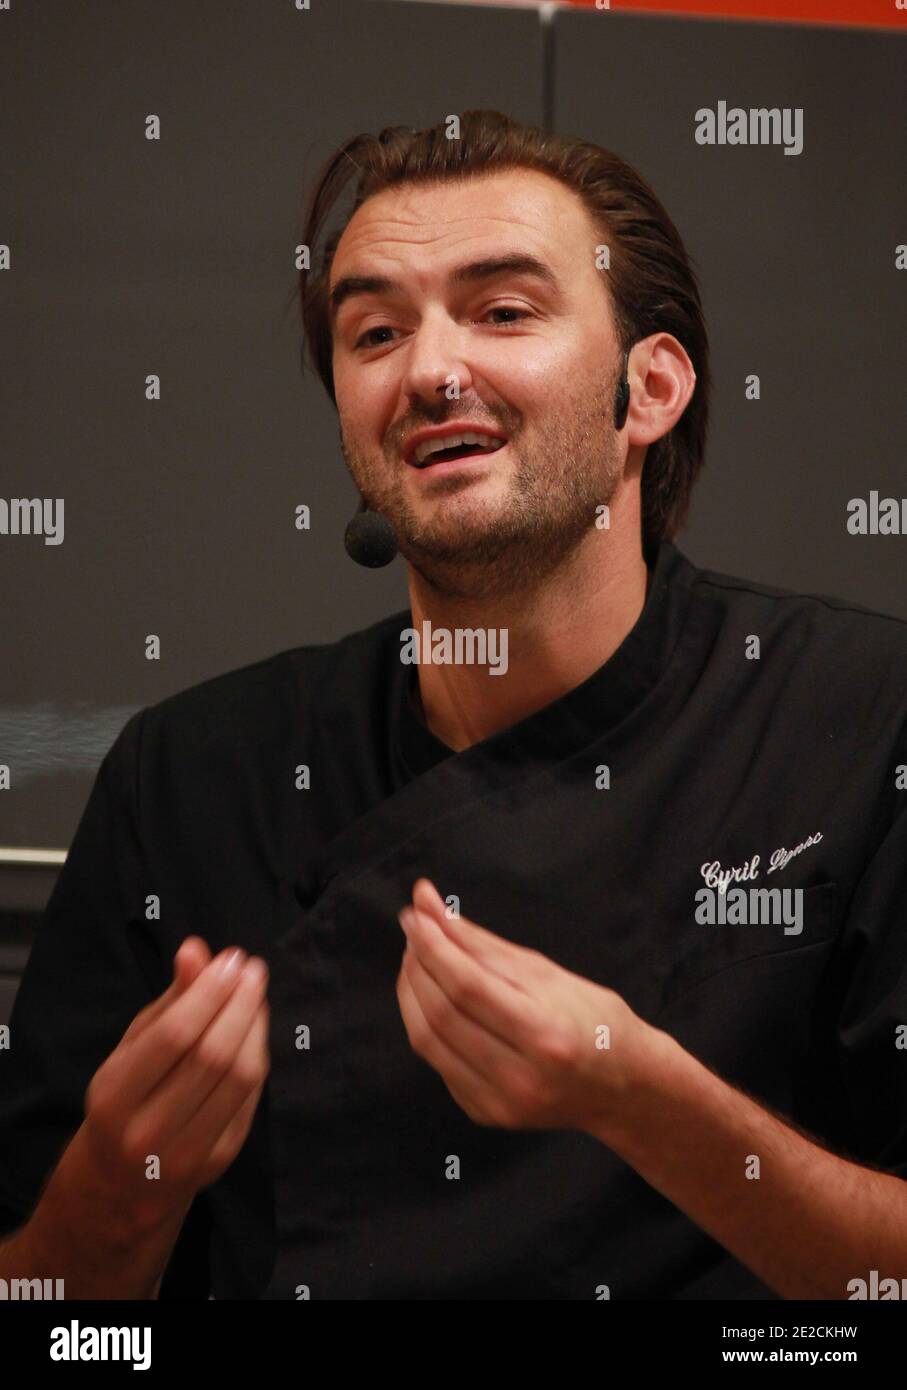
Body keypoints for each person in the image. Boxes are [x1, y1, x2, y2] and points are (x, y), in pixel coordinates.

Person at [1, 109, 906, 1301]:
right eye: (375, 330)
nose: (430, 370)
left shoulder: (857, 722)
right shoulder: (192, 774)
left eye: (503, 311)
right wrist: (119, 1186)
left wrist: (643, 1097)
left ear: (652, 387)